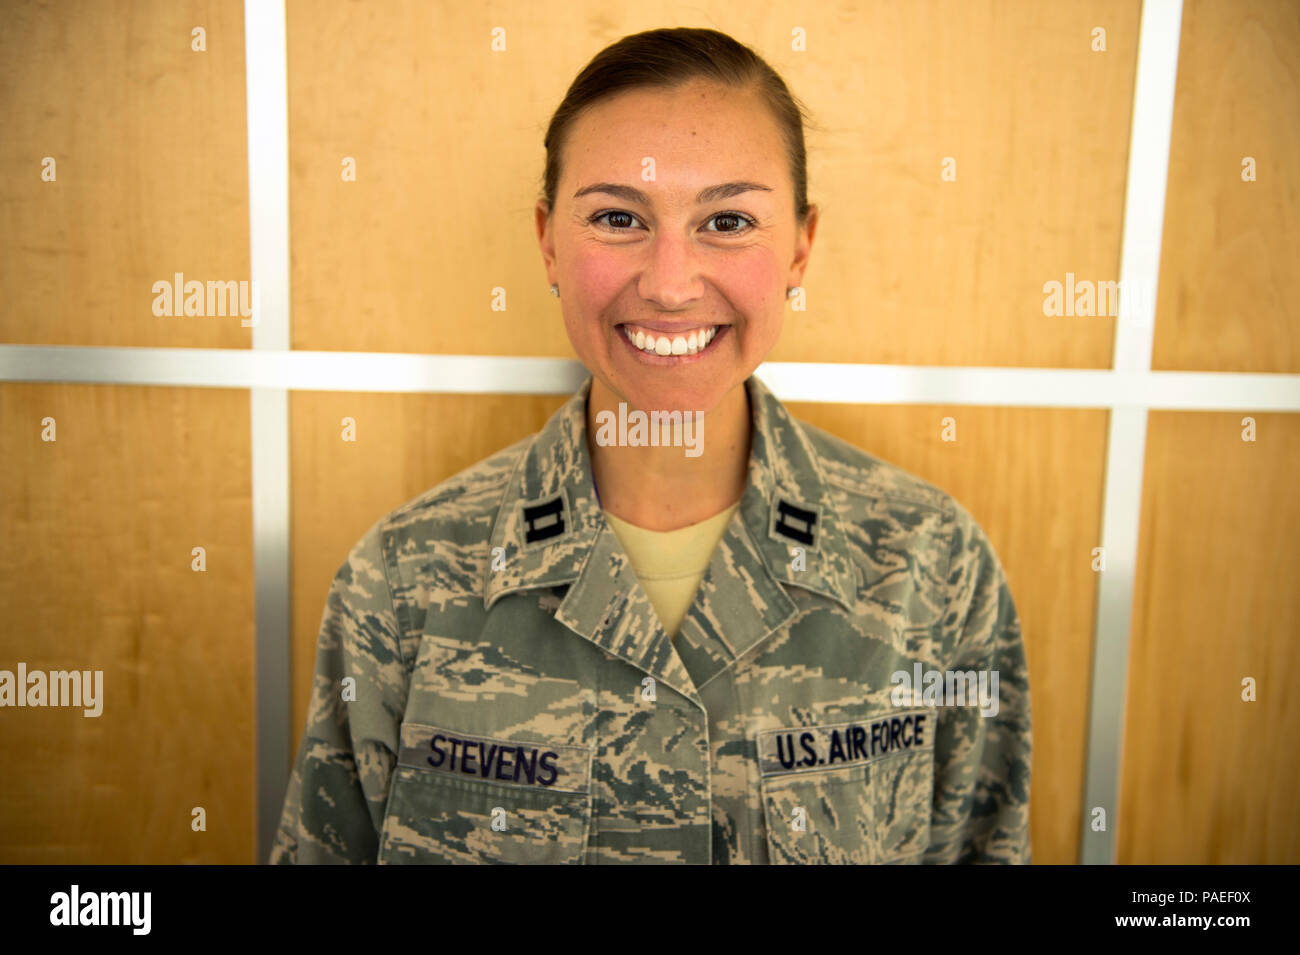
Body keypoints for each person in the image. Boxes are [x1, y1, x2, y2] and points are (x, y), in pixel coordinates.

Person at [271, 26, 1031, 865]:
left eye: (728, 219)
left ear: (801, 247)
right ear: (548, 241)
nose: (670, 284)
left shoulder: (934, 569)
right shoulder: (402, 581)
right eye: (618, 217)